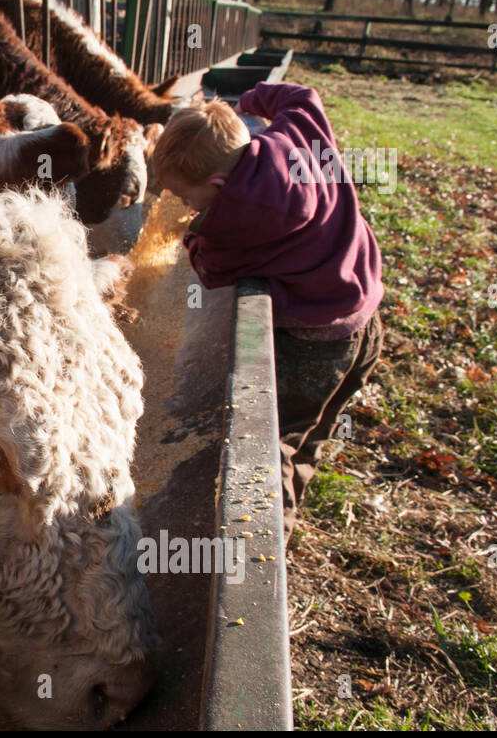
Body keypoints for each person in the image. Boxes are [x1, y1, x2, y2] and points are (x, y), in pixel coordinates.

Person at [152, 82, 384, 543]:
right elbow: (301, 97)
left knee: (270, 448)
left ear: (218, 188)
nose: (185, 206)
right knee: (312, 435)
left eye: (187, 197)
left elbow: (209, 267)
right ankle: (289, 508)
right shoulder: (296, 137)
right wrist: (248, 100)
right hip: (365, 320)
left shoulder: (230, 226)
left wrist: (193, 234)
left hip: (311, 345)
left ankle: (261, 553)